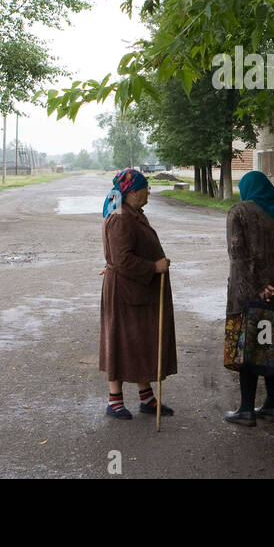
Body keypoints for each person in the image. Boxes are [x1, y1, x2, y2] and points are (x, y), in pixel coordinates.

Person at [223, 170, 274, 426]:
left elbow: (238, 255)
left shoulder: (238, 213)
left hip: (248, 299)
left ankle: (246, 410)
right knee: (272, 351)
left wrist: (260, 286)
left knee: (248, 349)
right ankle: (272, 406)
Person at [99, 168, 176, 419]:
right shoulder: (121, 217)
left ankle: (146, 398)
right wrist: (154, 267)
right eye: (146, 188)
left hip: (134, 290)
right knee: (121, 341)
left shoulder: (131, 213)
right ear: (133, 193)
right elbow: (122, 260)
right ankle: (115, 401)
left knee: (140, 341)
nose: (149, 192)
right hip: (125, 292)